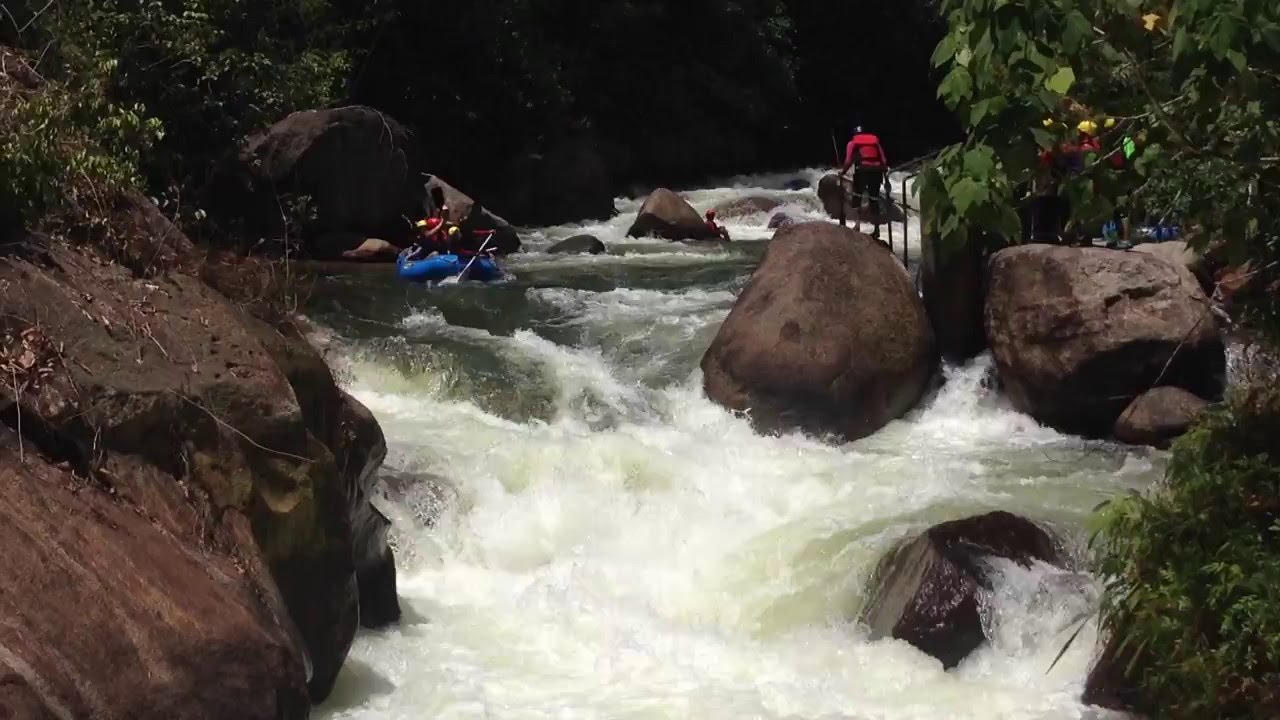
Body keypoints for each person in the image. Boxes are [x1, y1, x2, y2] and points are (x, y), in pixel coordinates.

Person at [839, 126, 890, 238]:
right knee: (874, 199)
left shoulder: (852, 143)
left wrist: (842, 172)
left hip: (862, 171)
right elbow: (884, 160)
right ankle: (876, 229)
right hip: (876, 172)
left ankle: (857, 225)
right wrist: (885, 175)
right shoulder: (875, 143)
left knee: (857, 196)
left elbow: (848, 161)